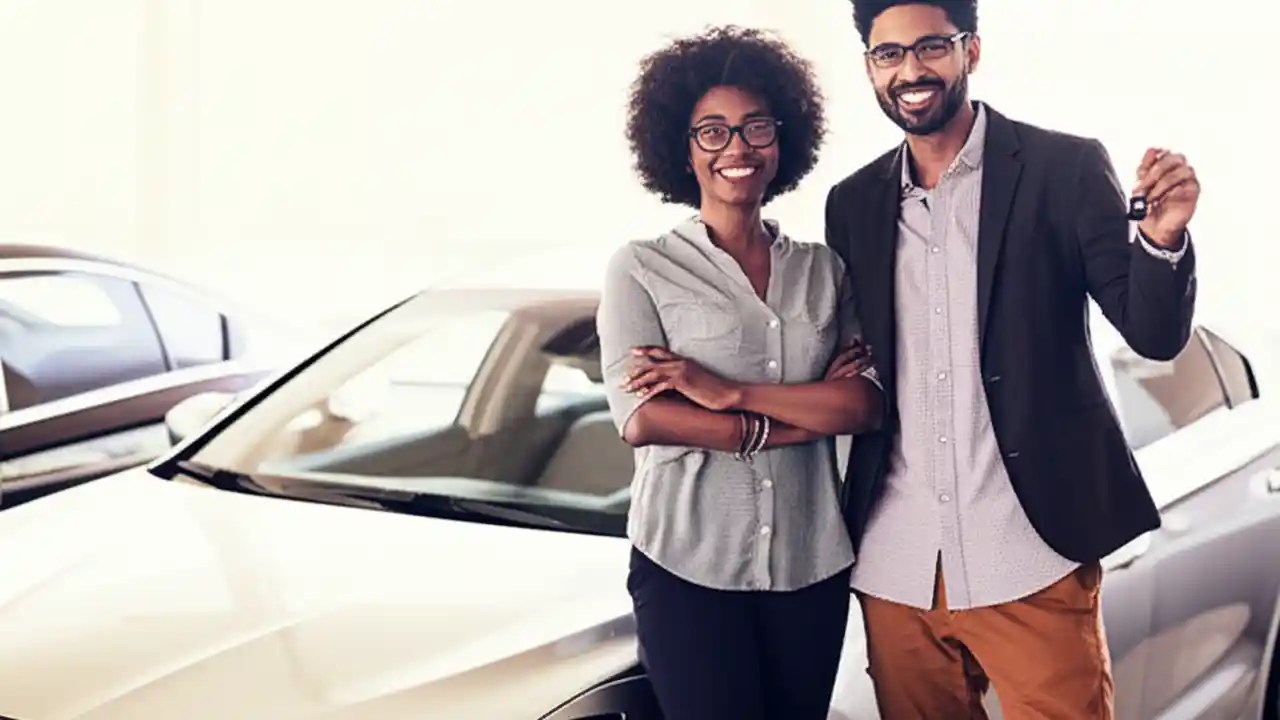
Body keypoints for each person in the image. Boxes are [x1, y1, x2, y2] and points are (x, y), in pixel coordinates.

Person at [822, 1, 1201, 718]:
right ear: (869, 66)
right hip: (897, 568)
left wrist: (1162, 240)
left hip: (1029, 555)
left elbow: (1154, 336)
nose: (910, 70)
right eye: (888, 54)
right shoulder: (852, 204)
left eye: (930, 47)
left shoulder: (1063, 169)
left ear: (971, 50)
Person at [598, 25, 884, 720]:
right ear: (681, 147)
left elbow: (862, 408)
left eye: (756, 127)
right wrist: (792, 424)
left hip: (810, 563)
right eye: (713, 131)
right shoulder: (641, 267)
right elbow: (643, 420)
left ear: (783, 138)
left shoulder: (825, 270)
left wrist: (725, 394)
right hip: (686, 567)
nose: (737, 148)